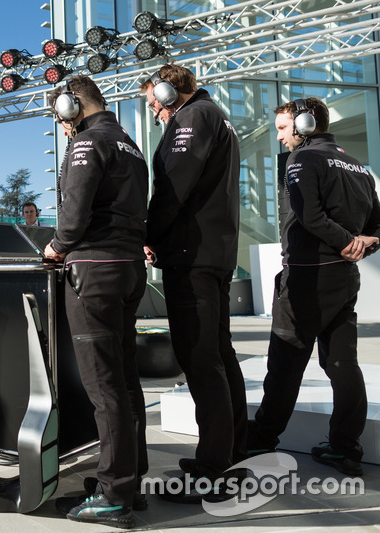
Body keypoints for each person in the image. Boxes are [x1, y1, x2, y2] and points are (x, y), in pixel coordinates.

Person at [248, 97, 380, 476]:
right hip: (344, 278)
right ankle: (345, 448)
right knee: (342, 365)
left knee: (285, 365)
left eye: (283, 128)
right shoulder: (358, 167)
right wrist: (363, 243)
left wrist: (347, 241)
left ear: (305, 124)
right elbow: (378, 225)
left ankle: (262, 440)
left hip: (307, 276)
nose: (281, 138)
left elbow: (308, 215)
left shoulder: (303, 159)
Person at [41, 75, 149, 528]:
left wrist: (56, 247)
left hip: (93, 271)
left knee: (104, 388)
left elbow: (75, 212)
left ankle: (113, 496)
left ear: (71, 107)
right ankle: (128, 482)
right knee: (124, 381)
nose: (60, 127)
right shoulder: (130, 143)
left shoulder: (86, 143)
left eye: (58, 117)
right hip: (127, 269)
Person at [140, 63, 246, 499]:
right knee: (219, 354)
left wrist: (145, 234)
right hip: (212, 254)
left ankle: (212, 471)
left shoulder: (193, 117)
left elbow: (172, 189)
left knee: (201, 360)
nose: (154, 113)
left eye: (153, 103)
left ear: (169, 93)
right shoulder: (215, 116)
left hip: (193, 255)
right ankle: (230, 454)